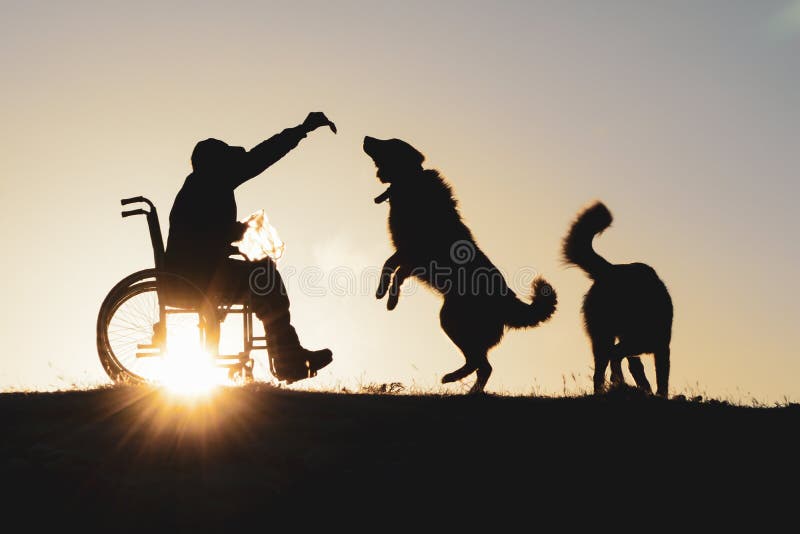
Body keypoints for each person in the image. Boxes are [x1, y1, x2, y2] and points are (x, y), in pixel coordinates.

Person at [164, 112, 336, 383]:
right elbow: (205, 232)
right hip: (196, 277)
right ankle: (288, 359)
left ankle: (287, 355)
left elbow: (259, 158)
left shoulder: (203, 184)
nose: (234, 165)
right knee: (265, 278)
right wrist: (235, 231)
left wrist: (301, 130)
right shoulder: (206, 186)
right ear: (214, 164)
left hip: (199, 271)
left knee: (264, 274)